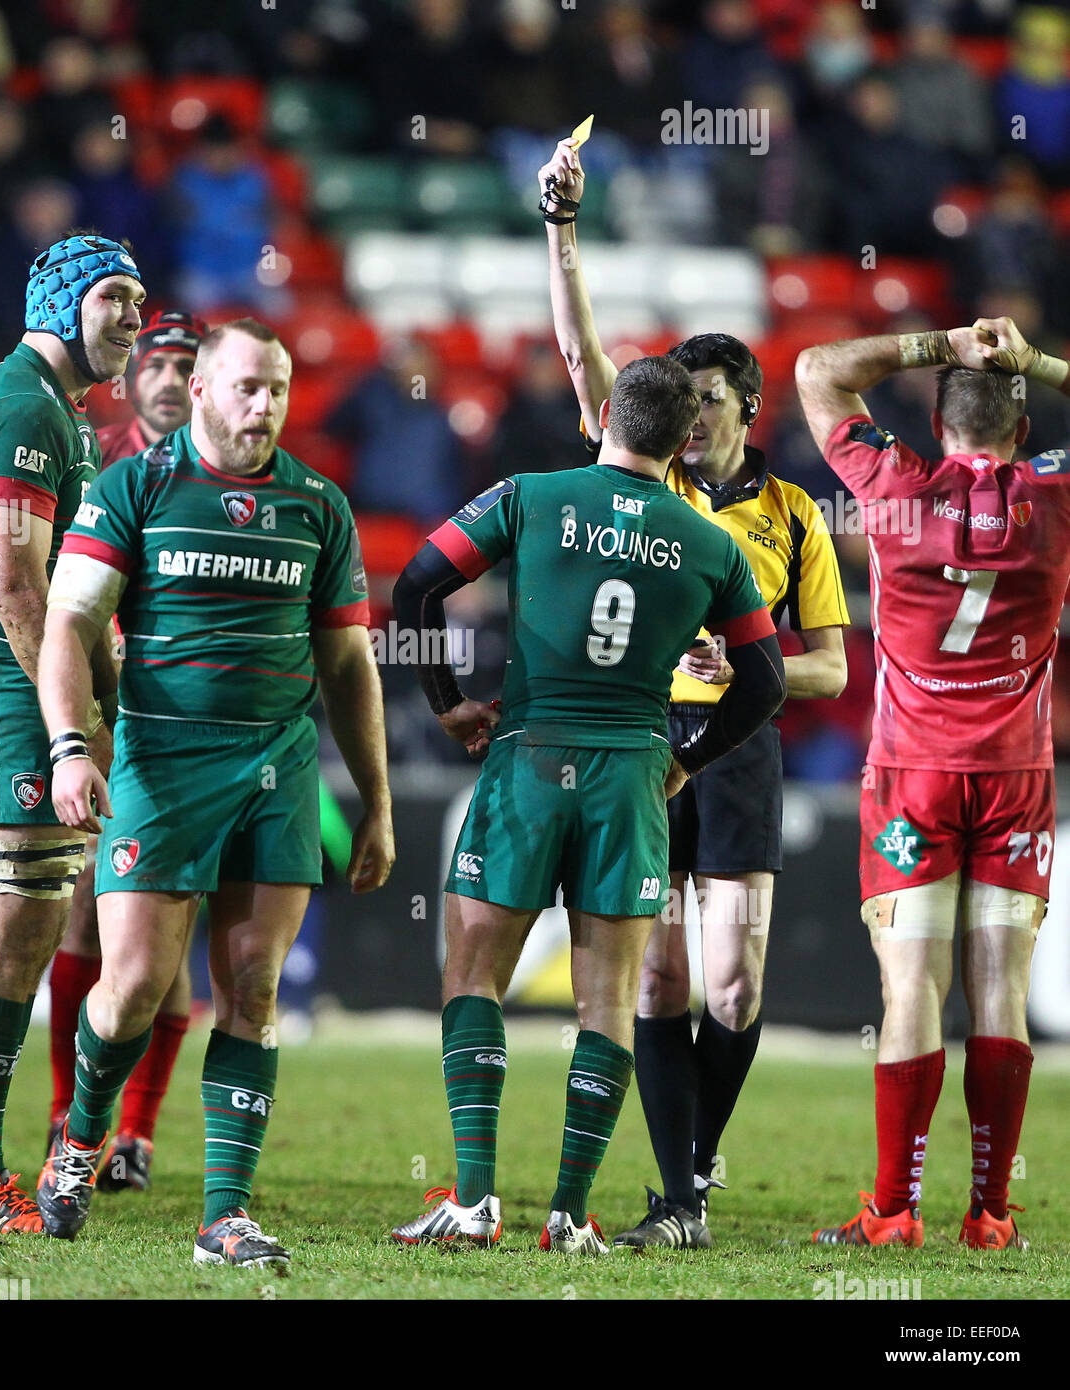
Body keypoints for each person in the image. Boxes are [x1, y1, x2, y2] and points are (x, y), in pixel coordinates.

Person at [389, 353, 787, 1254]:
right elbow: (764, 683)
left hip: (530, 760)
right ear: (685, 439)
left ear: (606, 415)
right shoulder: (712, 544)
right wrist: (688, 759)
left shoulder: (530, 496)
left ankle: (475, 1201)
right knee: (607, 1004)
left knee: (473, 977)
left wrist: (448, 704)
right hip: (633, 777)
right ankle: (569, 1215)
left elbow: (416, 586)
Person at [539, 136, 849, 1246]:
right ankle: (680, 1201)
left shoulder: (794, 515)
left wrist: (748, 671)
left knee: (734, 987)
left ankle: (693, 1166)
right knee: (659, 980)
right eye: (685, 400)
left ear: (749, 406)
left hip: (737, 745)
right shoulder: (647, 479)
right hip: (640, 735)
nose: (695, 416)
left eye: (712, 399)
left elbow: (832, 666)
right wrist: (562, 230)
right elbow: (582, 358)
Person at [33, 318, 394, 1265]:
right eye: (246, 387)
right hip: (162, 762)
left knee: (254, 989)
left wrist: (377, 803)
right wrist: (70, 748)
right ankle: (80, 1139)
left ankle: (224, 1216)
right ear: (199, 389)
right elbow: (69, 623)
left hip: (278, 768)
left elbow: (349, 663)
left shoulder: (318, 504)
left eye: (278, 389)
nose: (264, 406)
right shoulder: (134, 488)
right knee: (134, 988)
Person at [797, 315, 1070, 1250]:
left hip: (912, 776)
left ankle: (892, 1211)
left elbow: (817, 369)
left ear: (934, 423)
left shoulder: (896, 486)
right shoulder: (1053, 490)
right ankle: (990, 1214)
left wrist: (942, 343)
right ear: (1021, 429)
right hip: (1016, 777)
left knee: (911, 986)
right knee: (1001, 990)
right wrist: (1035, 362)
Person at [0, 232, 145, 1235]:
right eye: (113, 297)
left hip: (12, 688)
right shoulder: (22, 408)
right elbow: (17, 589)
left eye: (139, 300)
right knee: (16, 928)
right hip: (2, 689)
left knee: (31, 924)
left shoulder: (54, 409)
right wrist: (71, 727)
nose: (132, 319)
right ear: (58, 301)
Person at [46, 308, 206, 1192]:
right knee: (82, 911)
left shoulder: (230, 475)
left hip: (184, 727)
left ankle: (136, 1133)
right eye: (158, 364)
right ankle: (64, 1115)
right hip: (104, 714)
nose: (172, 380)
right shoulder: (93, 460)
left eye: (188, 365)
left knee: (166, 934)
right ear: (131, 375)